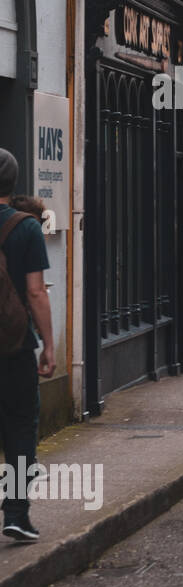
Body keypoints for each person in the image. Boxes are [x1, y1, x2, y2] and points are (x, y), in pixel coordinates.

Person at [0, 149, 55, 542]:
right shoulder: (26, 227)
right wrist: (49, 345)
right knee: (21, 426)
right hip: (16, 346)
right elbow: (36, 293)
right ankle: (16, 513)